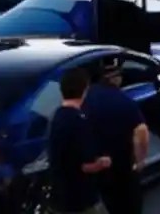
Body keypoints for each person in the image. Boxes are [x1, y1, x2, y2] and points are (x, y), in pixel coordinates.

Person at [82, 58, 149, 214]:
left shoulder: (86, 97)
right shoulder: (124, 101)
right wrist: (139, 161)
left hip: (96, 164)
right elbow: (141, 132)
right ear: (116, 78)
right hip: (122, 166)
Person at [48, 69, 112, 214]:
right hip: (81, 198)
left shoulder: (56, 116)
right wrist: (103, 162)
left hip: (61, 194)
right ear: (85, 90)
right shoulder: (79, 122)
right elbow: (85, 165)